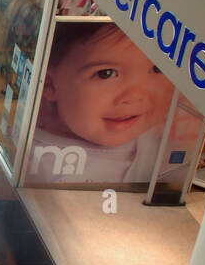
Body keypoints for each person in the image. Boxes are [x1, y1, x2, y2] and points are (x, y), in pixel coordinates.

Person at [30, 21, 176, 183]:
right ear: (49, 84)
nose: (135, 96)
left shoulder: (169, 134)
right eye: (105, 74)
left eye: (157, 69)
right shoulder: (31, 164)